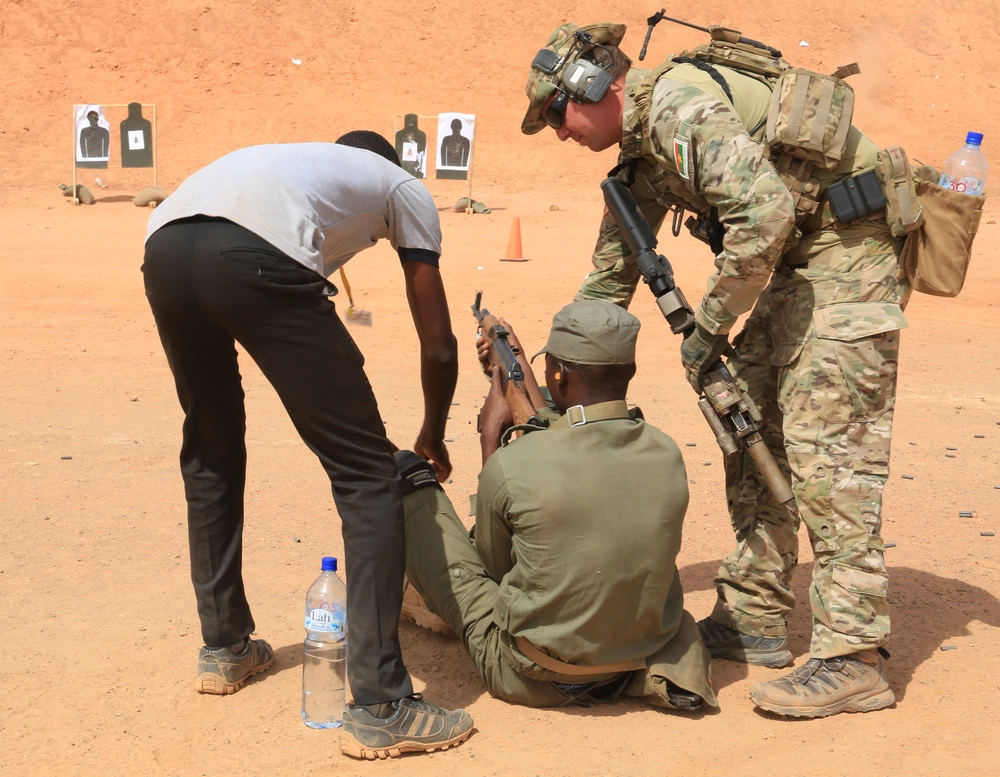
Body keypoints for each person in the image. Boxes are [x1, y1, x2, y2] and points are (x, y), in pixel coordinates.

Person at [520, 23, 909, 718]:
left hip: (853, 250)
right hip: (797, 259)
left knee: (828, 443)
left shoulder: (678, 106)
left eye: (557, 111)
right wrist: (547, 382)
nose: (558, 132)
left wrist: (708, 324)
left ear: (595, 86)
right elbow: (608, 285)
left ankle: (853, 654)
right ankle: (754, 613)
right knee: (746, 415)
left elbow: (765, 213)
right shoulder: (641, 155)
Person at [141, 133, 473, 759]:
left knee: (211, 445)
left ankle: (225, 649)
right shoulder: (401, 185)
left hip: (165, 246)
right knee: (366, 473)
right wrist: (431, 432)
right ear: (386, 164)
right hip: (250, 247)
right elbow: (439, 343)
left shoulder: (304, 172)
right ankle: (382, 704)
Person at [399, 300, 717, 711]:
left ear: (558, 374)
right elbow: (579, 430)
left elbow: (494, 570)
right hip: (635, 657)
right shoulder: (666, 450)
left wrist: (491, 445)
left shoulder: (513, 465)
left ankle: (402, 595)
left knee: (407, 476)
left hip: (530, 675)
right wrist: (517, 374)